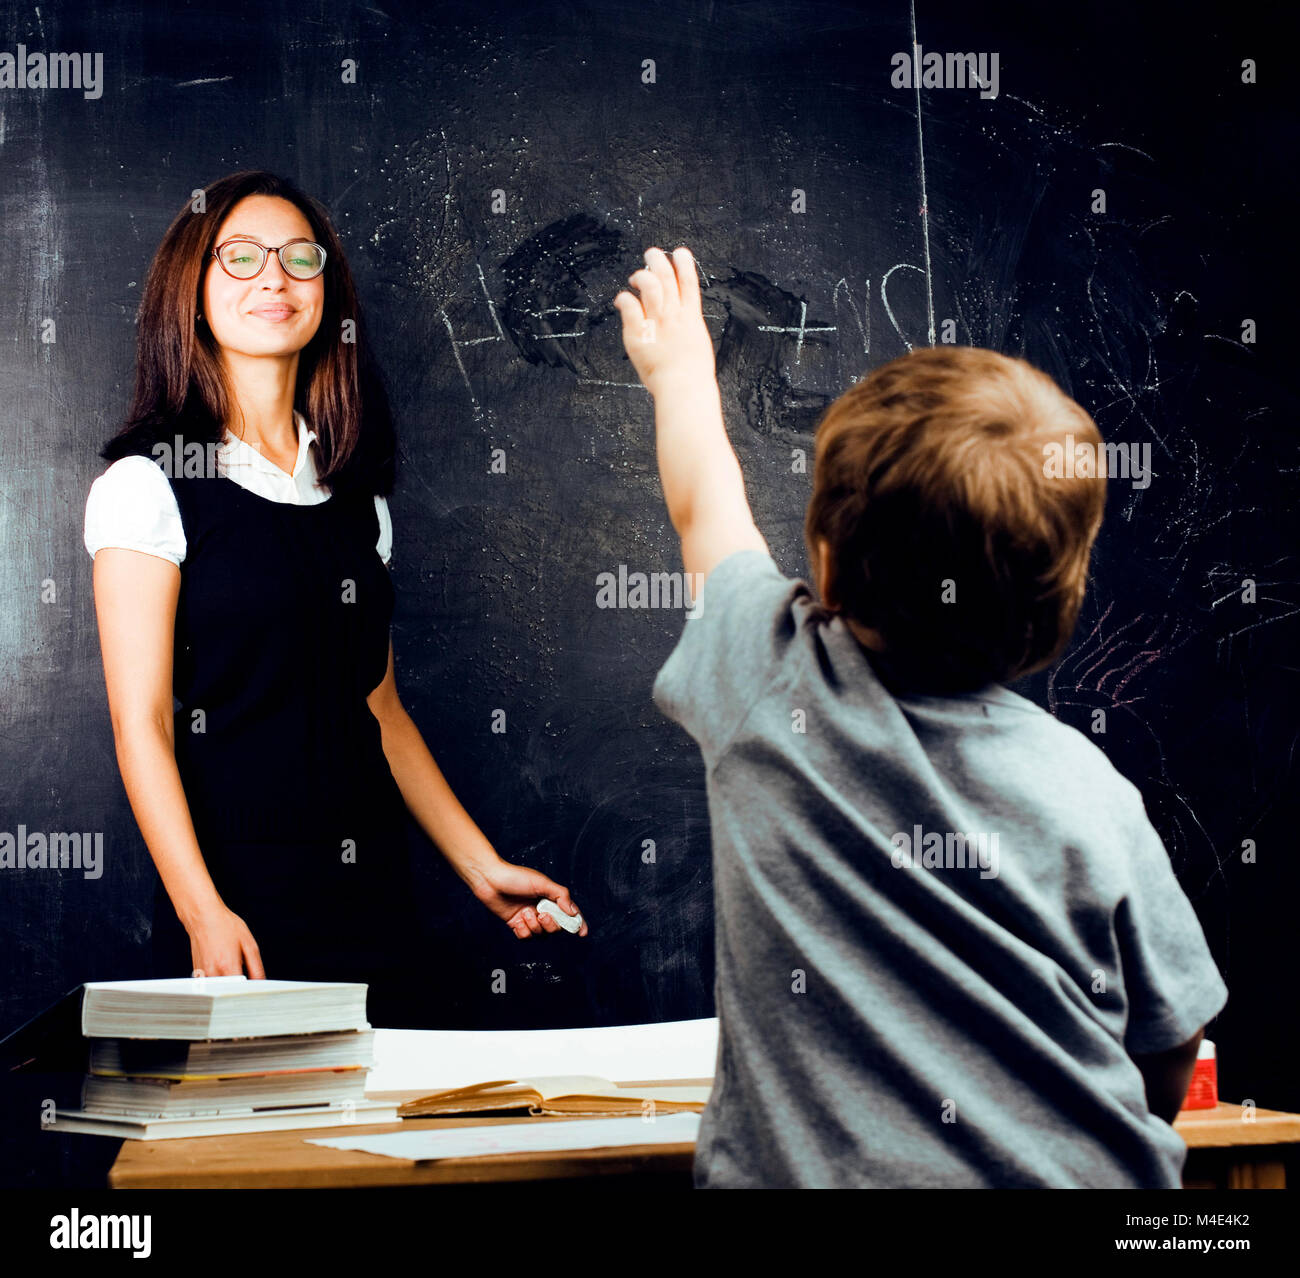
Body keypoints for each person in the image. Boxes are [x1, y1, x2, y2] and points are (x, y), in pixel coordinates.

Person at [613, 246, 1228, 1187]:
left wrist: (680, 373)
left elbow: (707, 506)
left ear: (824, 552)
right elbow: (1168, 1045)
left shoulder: (770, 686)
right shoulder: (1091, 789)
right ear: (1058, 598)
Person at [84, 171, 585, 1028]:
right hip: (239, 910)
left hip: (376, 896)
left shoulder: (360, 503)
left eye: (297, 258)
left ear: (327, 291)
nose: (272, 279)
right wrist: (203, 910)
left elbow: (378, 708)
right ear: (192, 294)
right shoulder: (147, 486)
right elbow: (144, 728)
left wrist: (478, 865)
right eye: (237, 258)